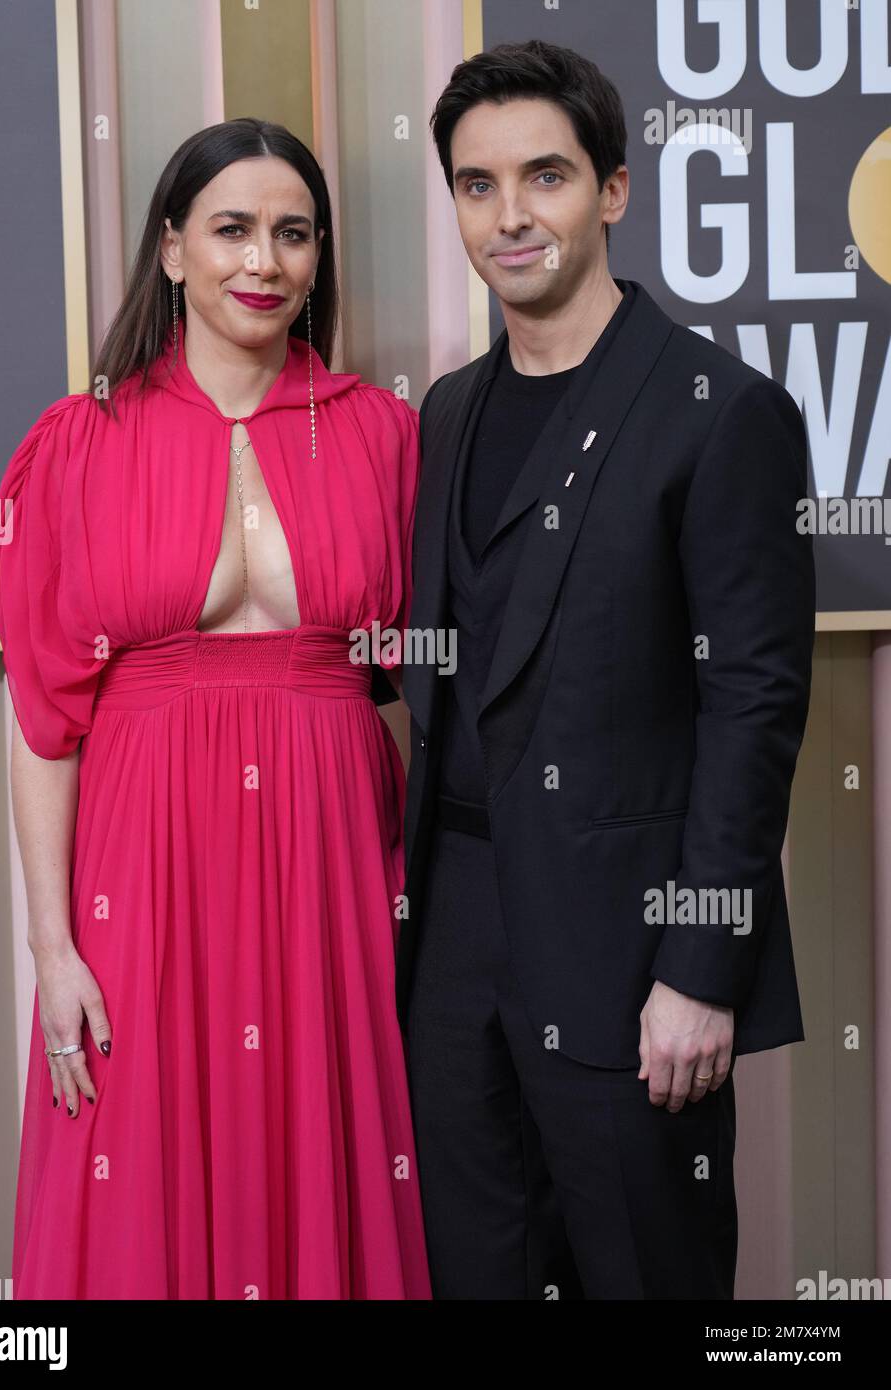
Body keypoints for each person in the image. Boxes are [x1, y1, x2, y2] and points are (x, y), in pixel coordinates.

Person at [397, 41, 815, 1299]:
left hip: (636, 943)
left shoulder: (719, 408)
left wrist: (700, 970)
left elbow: (755, 706)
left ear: (615, 191)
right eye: (477, 186)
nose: (510, 217)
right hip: (457, 927)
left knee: (648, 1276)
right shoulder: (449, 411)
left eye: (545, 177)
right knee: (479, 1271)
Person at [0, 117, 431, 1300]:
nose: (263, 261)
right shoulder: (77, 443)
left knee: (326, 1135)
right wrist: (53, 948)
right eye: (231, 229)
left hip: (333, 852)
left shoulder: (385, 435)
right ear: (173, 248)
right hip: (145, 858)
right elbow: (43, 721)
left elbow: (419, 688)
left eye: (293, 234)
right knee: (138, 1163)